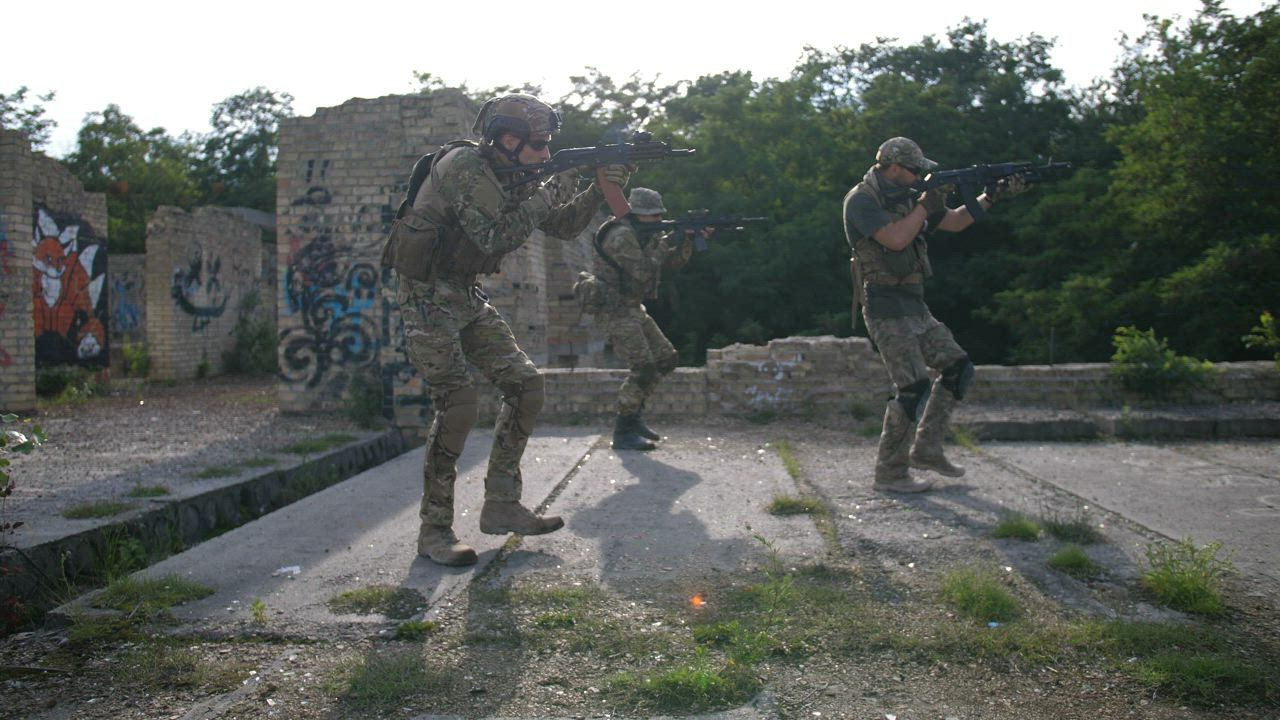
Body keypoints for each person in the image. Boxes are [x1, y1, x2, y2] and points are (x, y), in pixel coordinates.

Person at [386, 93, 632, 565]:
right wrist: (549, 187)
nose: (544, 154)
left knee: (525, 385)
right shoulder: (463, 164)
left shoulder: (510, 172)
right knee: (457, 404)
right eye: (538, 145)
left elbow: (560, 226)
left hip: (462, 292)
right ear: (507, 139)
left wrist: (600, 187)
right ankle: (434, 530)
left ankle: (500, 503)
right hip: (425, 295)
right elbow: (494, 237)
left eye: (548, 146)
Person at [842, 137, 1026, 493]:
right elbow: (894, 240)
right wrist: (924, 206)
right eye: (913, 170)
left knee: (958, 369)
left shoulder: (910, 197)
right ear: (892, 166)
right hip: (884, 306)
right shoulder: (862, 200)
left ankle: (926, 449)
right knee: (912, 387)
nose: (917, 176)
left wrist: (991, 196)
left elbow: (956, 222)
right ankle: (890, 473)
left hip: (914, 304)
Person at [582, 187, 696, 451]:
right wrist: (666, 242)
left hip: (633, 307)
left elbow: (670, 265)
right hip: (614, 308)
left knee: (665, 359)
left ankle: (633, 417)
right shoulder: (621, 236)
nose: (657, 220)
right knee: (644, 367)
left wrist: (686, 240)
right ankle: (623, 431)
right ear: (635, 214)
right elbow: (643, 273)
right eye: (651, 216)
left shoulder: (644, 235)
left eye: (658, 215)